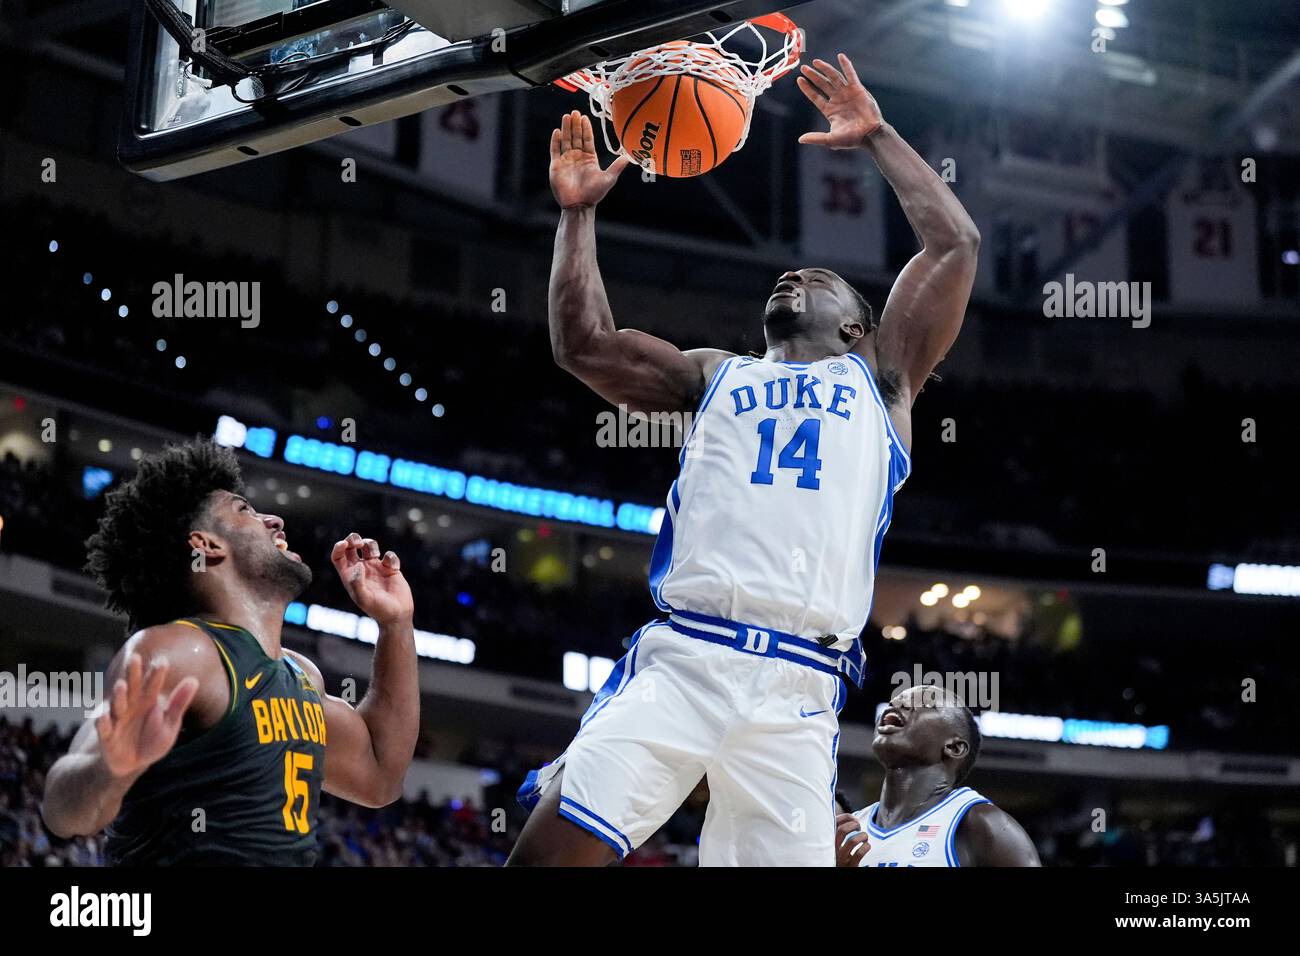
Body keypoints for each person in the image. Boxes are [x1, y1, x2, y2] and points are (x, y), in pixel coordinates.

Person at [509, 52, 980, 866]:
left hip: (801, 694)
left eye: (819, 278)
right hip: (687, 657)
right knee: (548, 858)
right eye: (791, 274)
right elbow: (582, 345)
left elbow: (954, 243)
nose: (794, 275)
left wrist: (878, 138)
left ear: (856, 328)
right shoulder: (712, 374)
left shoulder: (885, 381)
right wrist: (578, 217)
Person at [41, 439, 420, 865]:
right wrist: (111, 768)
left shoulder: (299, 674)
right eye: (245, 510)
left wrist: (395, 625)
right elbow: (61, 809)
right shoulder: (178, 652)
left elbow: (381, 774)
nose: (275, 520)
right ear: (207, 545)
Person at [835, 686, 1040, 867]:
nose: (898, 703)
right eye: (896, 700)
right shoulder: (848, 828)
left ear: (954, 747)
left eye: (925, 703)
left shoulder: (981, 823)